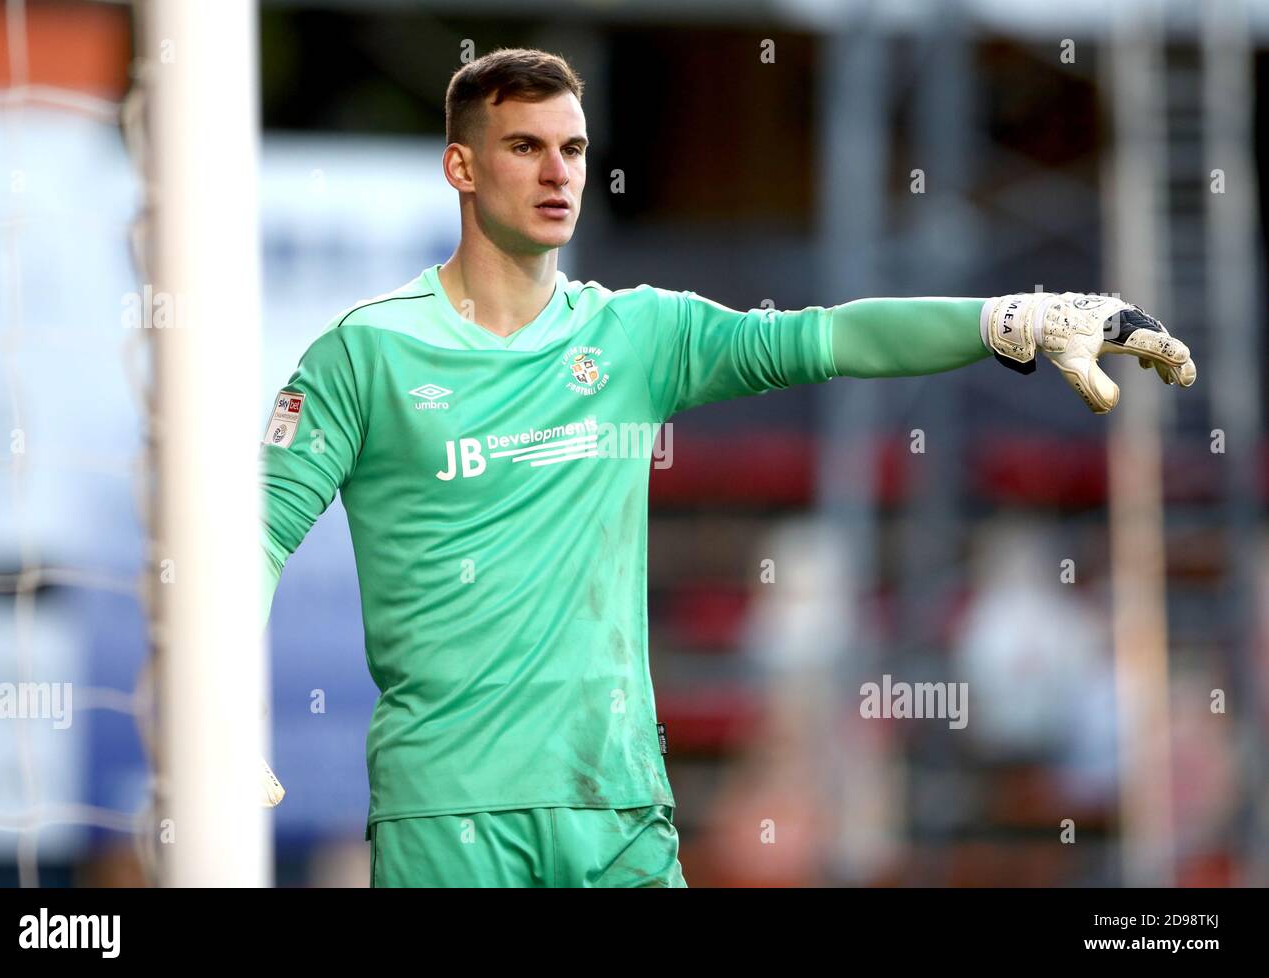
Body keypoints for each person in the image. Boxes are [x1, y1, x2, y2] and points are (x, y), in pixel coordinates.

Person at [258, 47, 1196, 887]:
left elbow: (824, 337)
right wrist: (218, 715)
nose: (558, 173)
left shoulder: (636, 335)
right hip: (451, 813)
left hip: (618, 807)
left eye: (575, 149)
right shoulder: (366, 355)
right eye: (525, 147)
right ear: (460, 165)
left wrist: (1011, 320)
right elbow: (247, 535)